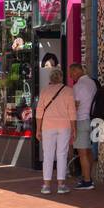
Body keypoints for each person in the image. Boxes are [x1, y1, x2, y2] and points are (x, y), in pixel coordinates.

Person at [36, 66, 75, 195]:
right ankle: (61, 185)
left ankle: (46, 186)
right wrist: (74, 128)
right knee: (62, 154)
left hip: (47, 126)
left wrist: (38, 129)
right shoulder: (68, 91)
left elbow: (39, 112)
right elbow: (72, 112)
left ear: (50, 78)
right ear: (61, 78)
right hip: (64, 126)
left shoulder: (45, 91)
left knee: (48, 155)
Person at [69, 63, 97, 190]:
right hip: (92, 120)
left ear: (77, 71)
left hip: (81, 120)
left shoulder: (78, 86)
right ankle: (88, 177)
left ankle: (87, 181)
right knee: (88, 151)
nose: (71, 76)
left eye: (71, 73)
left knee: (82, 153)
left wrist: (70, 122)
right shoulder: (92, 83)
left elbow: (75, 106)